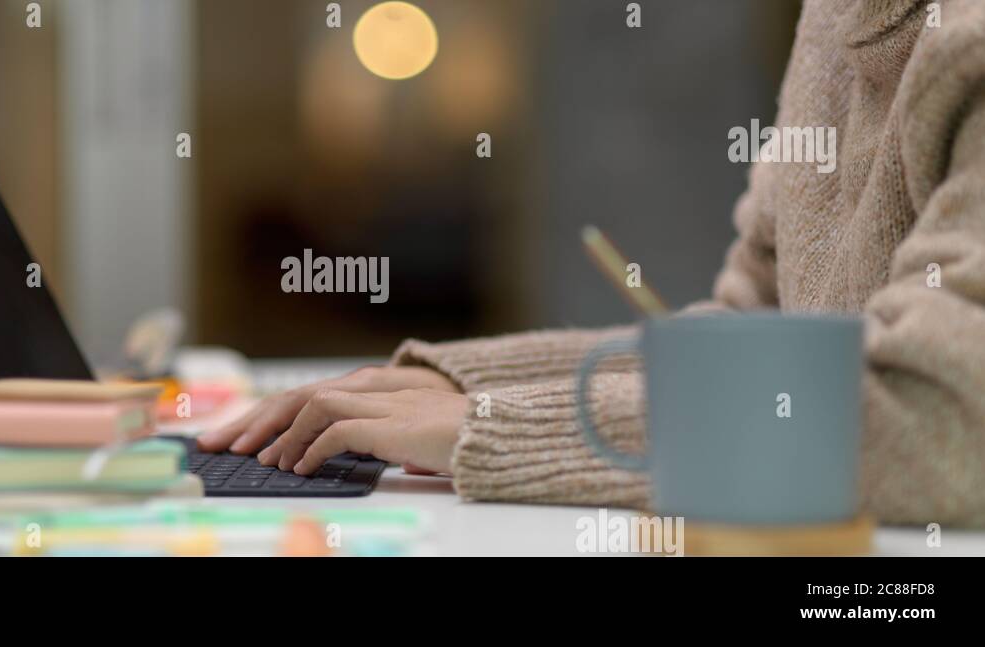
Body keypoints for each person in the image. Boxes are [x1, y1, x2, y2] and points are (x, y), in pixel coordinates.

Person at [198, 0, 985, 526]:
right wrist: (469, 381)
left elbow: (941, 420)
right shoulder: (837, 18)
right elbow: (756, 335)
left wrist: (500, 427)